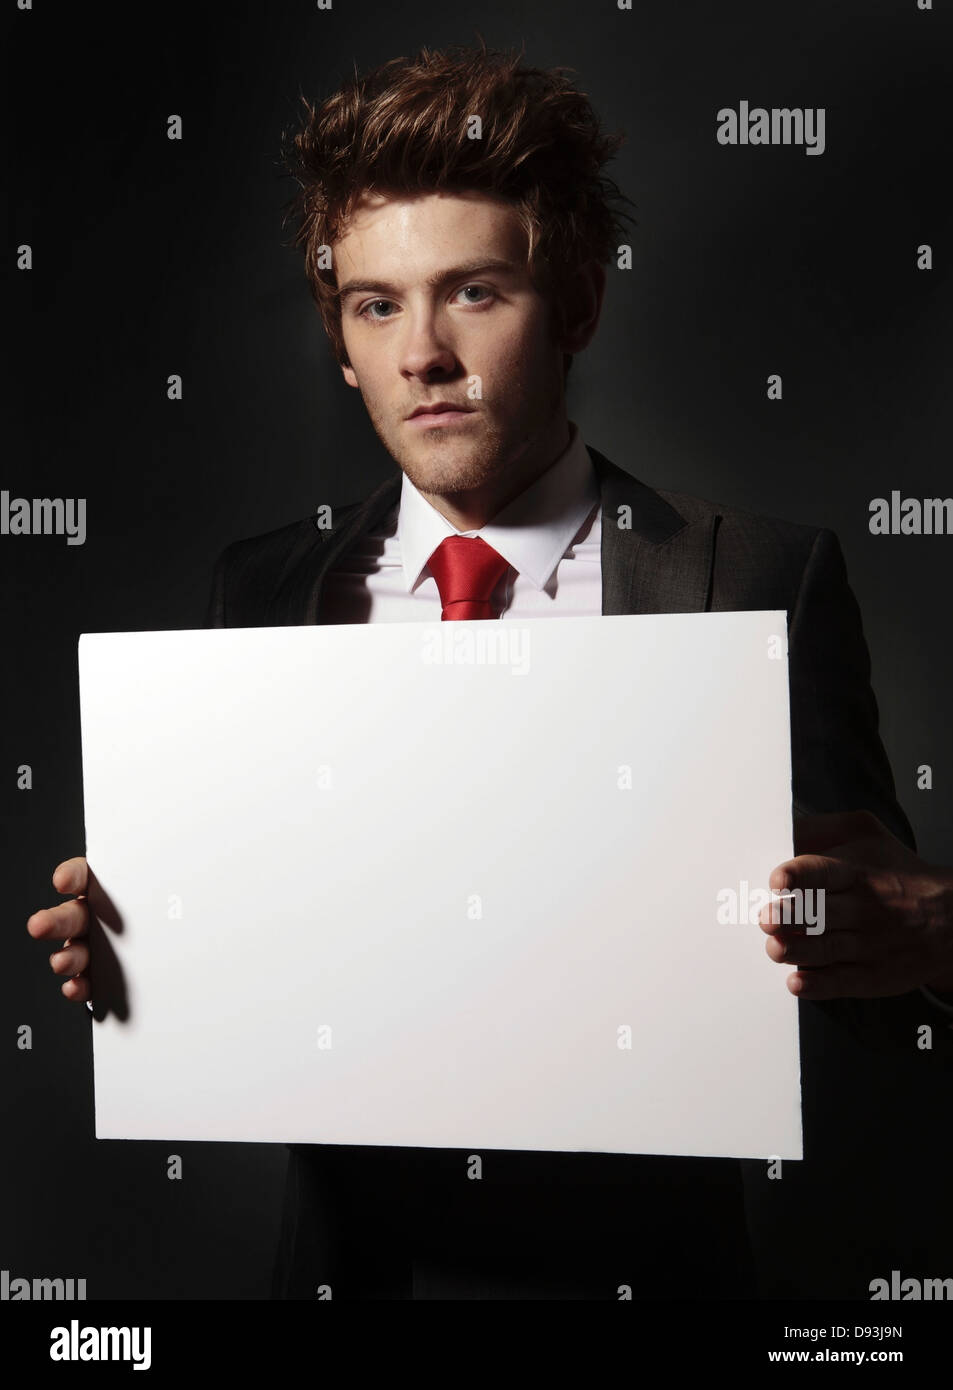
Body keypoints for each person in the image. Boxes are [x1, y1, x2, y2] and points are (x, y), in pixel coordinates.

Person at [27, 42, 953, 1300]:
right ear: (342, 340)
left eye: (473, 293)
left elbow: (882, 979)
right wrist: (138, 957)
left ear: (575, 302)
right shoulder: (260, 590)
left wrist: (929, 931)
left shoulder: (758, 577)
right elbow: (253, 957)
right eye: (374, 304)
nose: (421, 354)